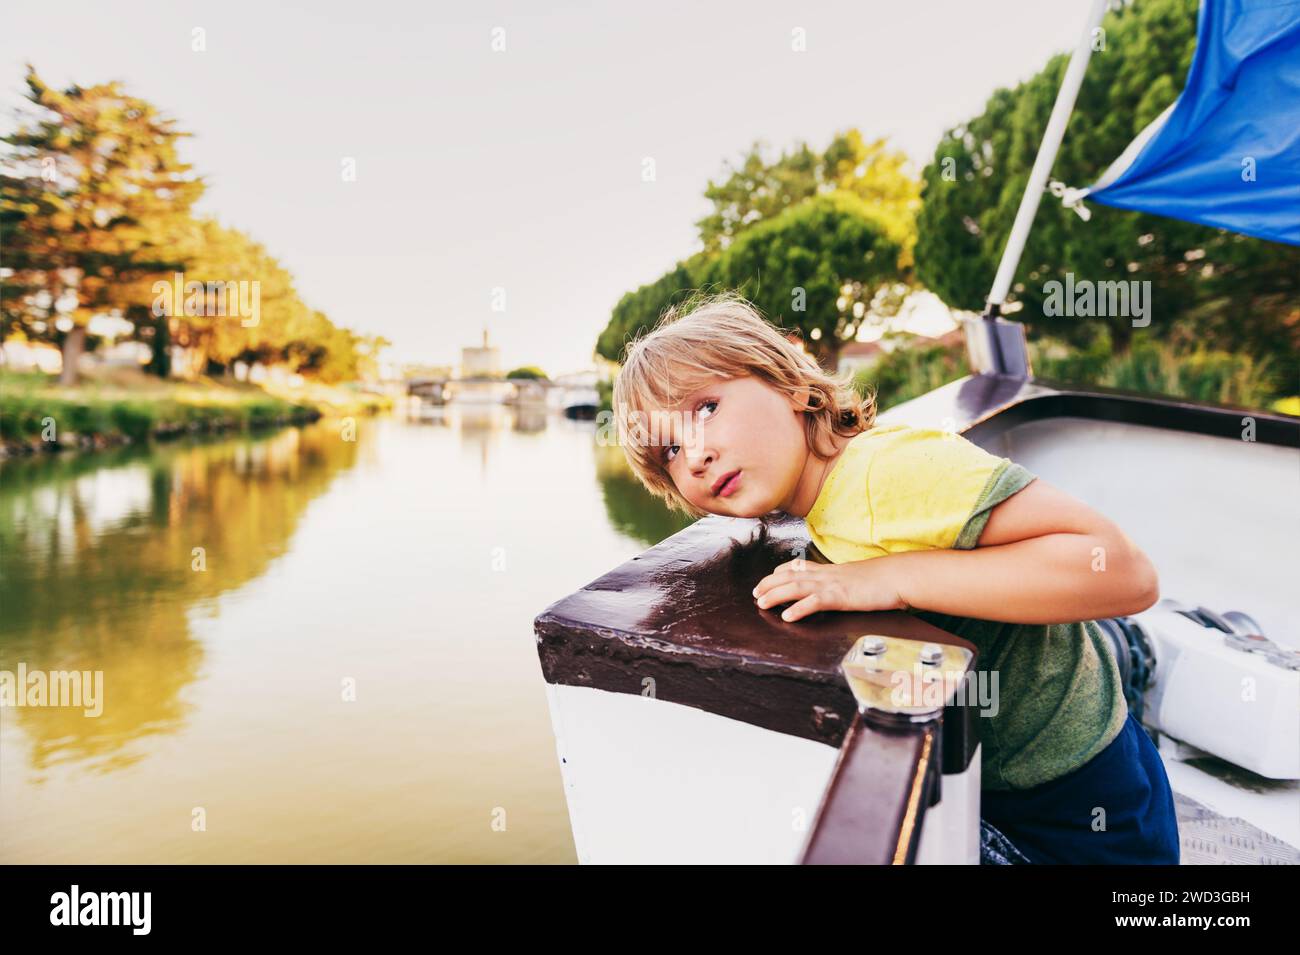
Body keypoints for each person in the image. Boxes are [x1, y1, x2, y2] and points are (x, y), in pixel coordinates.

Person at [611, 291, 1180, 865]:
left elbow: (1125, 573)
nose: (697, 453)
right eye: (671, 450)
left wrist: (888, 578)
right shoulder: (827, 504)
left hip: (1081, 807)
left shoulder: (888, 471)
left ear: (793, 385)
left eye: (706, 408)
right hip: (1019, 777)